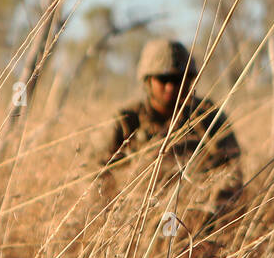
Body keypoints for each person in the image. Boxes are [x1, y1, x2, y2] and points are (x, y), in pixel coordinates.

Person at [94, 39, 244, 235]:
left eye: (178, 79)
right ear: (147, 80)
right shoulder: (126, 120)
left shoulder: (207, 116)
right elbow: (96, 171)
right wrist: (112, 217)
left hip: (195, 223)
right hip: (136, 225)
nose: (171, 87)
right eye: (163, 80)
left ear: (190, 80)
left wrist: (211, 216)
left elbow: (232, 170)